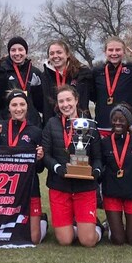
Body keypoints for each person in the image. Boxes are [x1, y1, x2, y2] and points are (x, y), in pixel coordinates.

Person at [41, 85, 102, 247]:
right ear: (57, 104)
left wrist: (95, 171)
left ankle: (97, 227)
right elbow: (46, 155)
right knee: (65, 240)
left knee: (88, 241)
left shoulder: (90, 124)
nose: (65, 104)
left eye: (68, 100)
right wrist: (57, 168)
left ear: (76, 100)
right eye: (61, 101)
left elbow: (98, 157)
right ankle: (77, 225)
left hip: (85, 187)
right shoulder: (51, 124)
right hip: (59, 186)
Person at [0, 90, 46, 243]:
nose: (18, 108)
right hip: (4, 188)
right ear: (9, 108)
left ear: (27, 107)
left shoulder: (35, 132)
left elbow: (39, 169)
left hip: (29, 188)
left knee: (34, 239)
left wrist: (40, 158)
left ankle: (42, 220)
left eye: (22, 104)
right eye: (14, 105)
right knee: (4, 236)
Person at [97, 104, 132, 246]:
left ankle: (115, 226)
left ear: (128, 122)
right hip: (112, 193)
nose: (117, 123)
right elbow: (99, 162)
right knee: (118, 240)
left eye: (121, 120)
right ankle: (104, 226)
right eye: (114, 119)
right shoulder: (105, 142)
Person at [90, 37, 132, 131]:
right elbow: (93, 95)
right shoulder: (97, 71)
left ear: (124, 52)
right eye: (110, 50)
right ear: (105, 52)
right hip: (103, 124)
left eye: (118, 50)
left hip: (128, 125)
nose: (114, 53)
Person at [0, 36, 44, 124]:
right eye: (13, 50)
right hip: (8, 121)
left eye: (20, 49)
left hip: (32, 122)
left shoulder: (35, 72)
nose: (17, 53)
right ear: (9, 52)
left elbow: (40, 103)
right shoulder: (2, 71)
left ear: (26, 52)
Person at [41, 40, 90, 123]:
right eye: (52, 53)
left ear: (67, 54)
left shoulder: (82, 73)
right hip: (53, 124)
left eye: (59, 52)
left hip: (79, 122)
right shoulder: (44, 76)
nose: (55, 56)